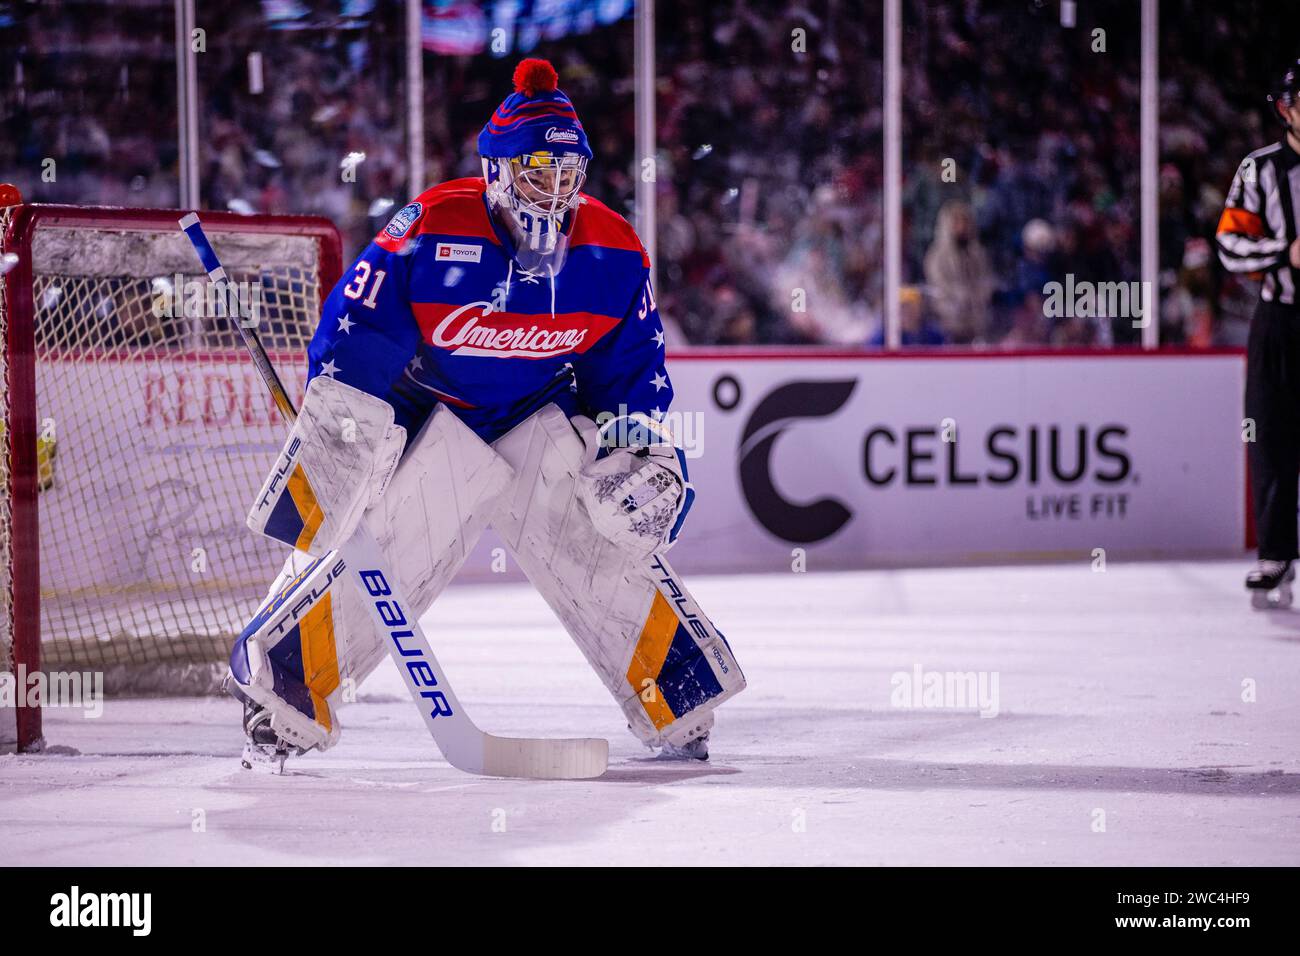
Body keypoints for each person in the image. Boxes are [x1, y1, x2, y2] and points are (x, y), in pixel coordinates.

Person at [225, 59, 744, 768]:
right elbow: (361, 332)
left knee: (597, 530)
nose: (555, 191)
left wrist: (636, 447)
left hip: (535, 416)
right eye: (538, 171)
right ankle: (282, 690)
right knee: (387, 544)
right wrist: (346, 428)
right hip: (428, 413)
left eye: (569, 174)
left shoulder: (612, 251)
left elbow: (627, 375)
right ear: (496, 169)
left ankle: (679, 691)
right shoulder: (432, 227)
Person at [1217, 60, 1300, 608]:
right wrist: (1283, 252)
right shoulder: (1260, 169)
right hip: (1280, 321)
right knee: (1270, 435)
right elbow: (1229, 243)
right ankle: (1275, 553)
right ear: (1286, 108)